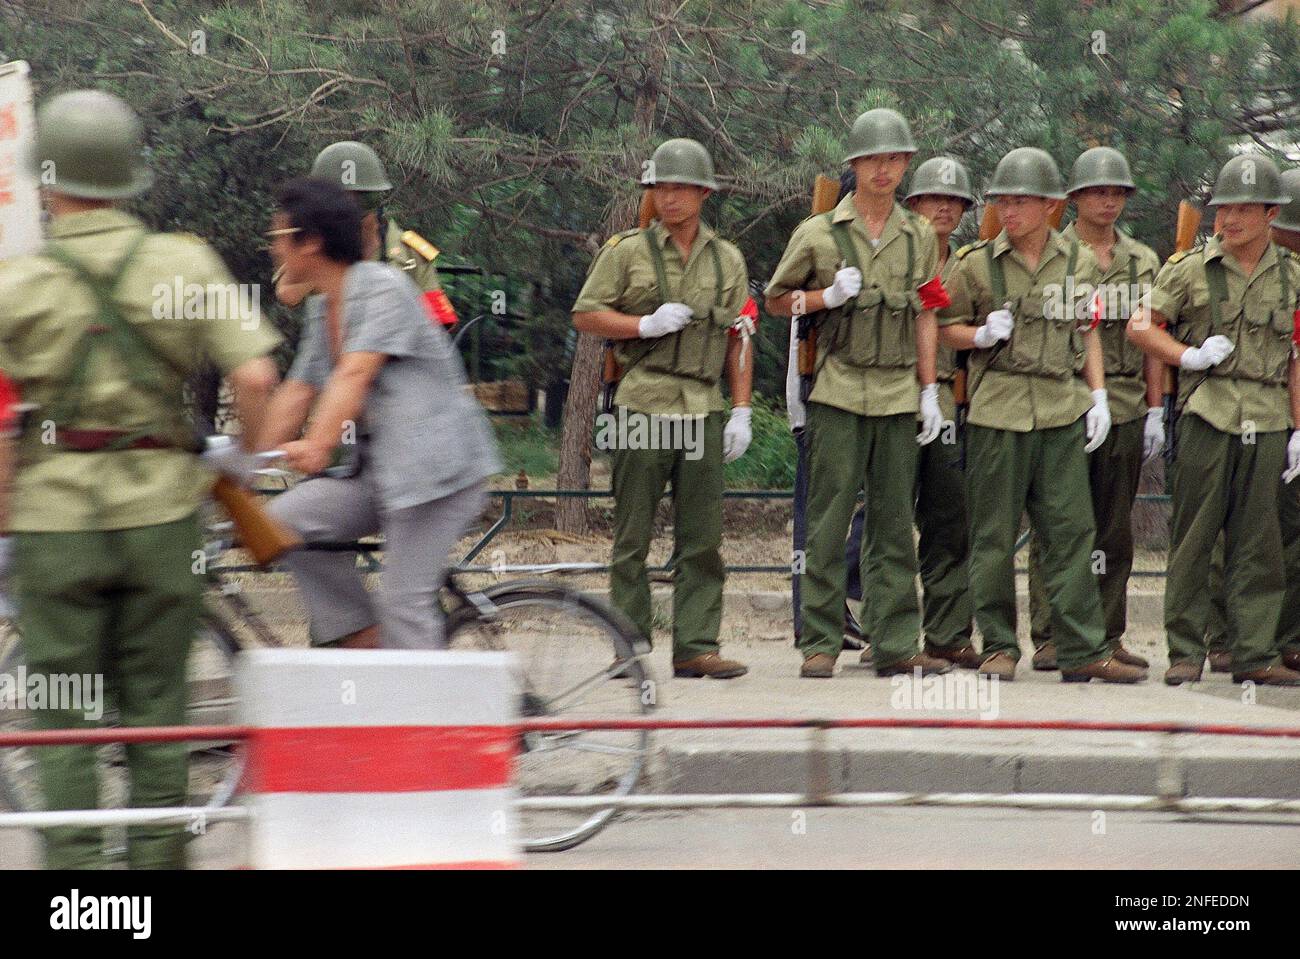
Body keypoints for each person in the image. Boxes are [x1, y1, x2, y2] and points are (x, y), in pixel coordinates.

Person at [0, 90, 281, 868]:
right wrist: (240, 467)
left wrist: (6, 514)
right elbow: (256, 376)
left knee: (64, 717)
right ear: (132, 177)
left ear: (48, 182)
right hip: (162, 517)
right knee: (159, 711)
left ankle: (81, 891)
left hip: (56, 524)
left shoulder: (18, 283)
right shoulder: (182, 262)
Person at [258, 177, 500, 649]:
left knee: (404, 602)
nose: (273, 250)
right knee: (280, 522)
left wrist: (318, 444)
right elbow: (297, 390)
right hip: (382, 472)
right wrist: (244, 461)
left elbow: (355, 372)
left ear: (311, 242)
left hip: (436, 475)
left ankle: (430, 719)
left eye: (278, 238)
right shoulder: (322, 305)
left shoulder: (384, 287)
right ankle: (359, 635)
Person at [939, 146, 1145, 684]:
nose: (1010, 211)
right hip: (998, 409)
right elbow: (943, 327)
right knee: (993, 534)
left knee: (1072, 531)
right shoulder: (976, 264)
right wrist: (978, 335)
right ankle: (1000, 645)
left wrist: (1098, 396)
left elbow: (1087, 330)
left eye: (1022, 201)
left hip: (1060, 407)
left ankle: (1080, 647)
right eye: (1003, 201)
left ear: (1051, 205)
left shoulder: (1077, 262)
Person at [765, 108, 950, 680]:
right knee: (828, 519)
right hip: (839, 388)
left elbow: (926, 313)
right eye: (874, 159)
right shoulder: (818, 233)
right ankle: (820, 639)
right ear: (855, 164)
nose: (885, 169)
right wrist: (822, 299)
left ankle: (894, 641)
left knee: (895, 524)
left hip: (897, 391)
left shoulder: (918, 234)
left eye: (895, 159)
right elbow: (775, 302)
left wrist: (929, 391)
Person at [572, 138, 753, 679]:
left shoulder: (728, 259)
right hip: (642, 403)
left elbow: (739, 337)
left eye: (680, 188)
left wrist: (741, 408)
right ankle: (628, 645)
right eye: (661, 188)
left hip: (701, 405)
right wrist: (642, 325)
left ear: (702, 193)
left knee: (702, 538)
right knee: (632, 536)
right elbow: (585, 314)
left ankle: (697, 646)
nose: (669, 198)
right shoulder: (625, 249)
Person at [1127, 154, 1300, 686]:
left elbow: (1297, 358)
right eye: (1224, 208)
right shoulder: (1189, 268)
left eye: (1245, 209)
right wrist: (1187, 356)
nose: (1229, 220)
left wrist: (1299, 428)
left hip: (1269, 415)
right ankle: (1185, 651)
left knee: (1260, 542)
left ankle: (1254, 653)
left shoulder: (1293, 276)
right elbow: (1141, 327)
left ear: (1271, 213)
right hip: (1207, 410)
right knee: (1194, 536)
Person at [1026, 148, 1160, 672]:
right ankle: (1051, 633)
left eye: (1116, 192)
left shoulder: (1143, 261)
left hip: (1124, 401)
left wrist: (1155, 410)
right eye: (1096, 191)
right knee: (1056, 525)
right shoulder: (1052, 253)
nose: (1107, 201)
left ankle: (1107, 632)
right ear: (1075, 198)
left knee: (1113, 528)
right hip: (1064, 399)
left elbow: (1151, 337)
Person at [843, 156, 979, 667]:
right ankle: (885, 630)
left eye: (953, 201)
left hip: (950, 396)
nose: (942, 208)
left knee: (951, 520)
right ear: (913, 203)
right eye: (931, 199)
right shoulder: (892, 252)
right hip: (895, 391)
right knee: (889, 519)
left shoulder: (972, 265)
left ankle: (947, 631)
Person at [276, 140, 459, 329]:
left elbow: (442, 321)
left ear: (374, 198)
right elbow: (288, 294)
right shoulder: (313, 246)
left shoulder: (410, 251)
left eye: (358, 198)